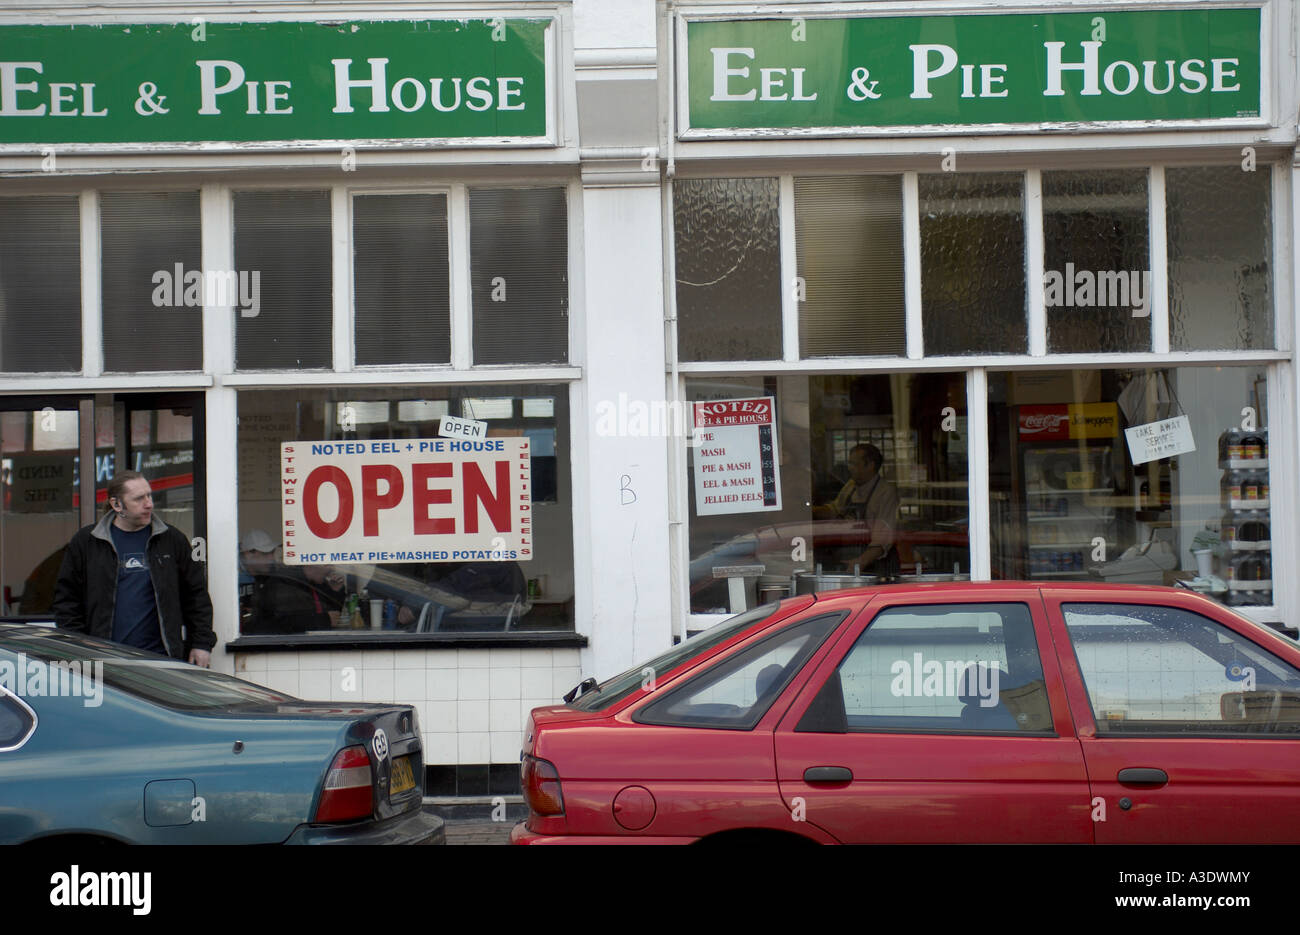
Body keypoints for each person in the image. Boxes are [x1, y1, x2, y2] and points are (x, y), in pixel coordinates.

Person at [53, 470, 216, 665]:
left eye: (149, 495)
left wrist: (201, 643)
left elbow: (196, 596)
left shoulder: (171, 539)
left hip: (162, 659)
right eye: (139, 499)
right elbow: (67, 602)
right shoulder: (87, 542)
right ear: (116, 504)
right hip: (106, 662)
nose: (149, 504)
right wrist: (80, 649)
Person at [817, 443, 900, 576]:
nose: (849, 468)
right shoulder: (851, 485)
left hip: (876, 566)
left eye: (853, 464)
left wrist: (861, 562)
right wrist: (809, 511)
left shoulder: (886, 492)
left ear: (870, 465)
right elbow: (834, 510)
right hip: (850, 559)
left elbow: (883, 538)